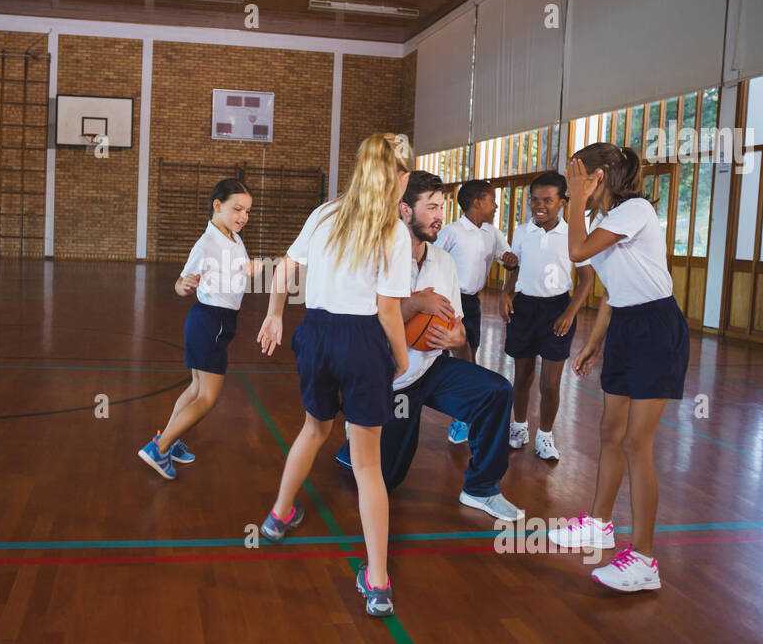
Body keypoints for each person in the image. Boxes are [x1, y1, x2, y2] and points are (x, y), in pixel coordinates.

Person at [256, 133, 412, 618]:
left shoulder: (324, 213)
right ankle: (378, 582)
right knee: (368, 465)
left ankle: (278, 517)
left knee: (314, 428)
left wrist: (275, 315)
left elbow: (286, 267)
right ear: (400, 178)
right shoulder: (394, 230)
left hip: (317, 333)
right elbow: (388, 311)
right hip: (362, 340)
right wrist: (401, 357)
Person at [546, 144, 690, 593]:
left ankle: (645, 560)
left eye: (578, 175)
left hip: (656, 328)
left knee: (636, 441)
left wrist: (572, 198)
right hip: (626, 324)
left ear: (599, 178)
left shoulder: (636, 210)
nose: (572, 183)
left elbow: (575, 253)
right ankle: (599, 525)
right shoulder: (602, 220)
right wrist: (594, 342)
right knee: (610, 432)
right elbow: (612, 291)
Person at [335, 171, 518, 520]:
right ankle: (356, 436)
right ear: (405, 209)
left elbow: (459, 327)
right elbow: (361, 329)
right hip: (392, 380)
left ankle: (481, 488)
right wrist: (414, 305)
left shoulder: (443, 261)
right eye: (431, 207)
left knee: (495, 391)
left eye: (442, 207)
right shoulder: (374, 257)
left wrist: (456, 338)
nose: (439, 216)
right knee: (386, 479)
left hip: (431, 368)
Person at [138, 179, 256, 479]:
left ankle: (169, 439)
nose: (243, 216)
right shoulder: (207, 243)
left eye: (248, 211)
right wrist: (184, 285)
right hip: (210, 322)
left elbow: (231, 271)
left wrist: (248, 268)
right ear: (217, 206)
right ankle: (159, 448)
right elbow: (180, 283)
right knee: (207, 398)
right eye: (237, 209)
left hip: (216, 322)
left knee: (195, 389)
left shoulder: (232, 237)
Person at [501, 170, 595, 461]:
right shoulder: (521, 232)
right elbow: (514, 269)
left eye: (547, 200)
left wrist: (569, 312)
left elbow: (587, 279)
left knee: (550, 384)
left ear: (563, 202)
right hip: (524, 309)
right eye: (534, 200)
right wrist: (506, 292)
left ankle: (545, 436)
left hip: (558, 310)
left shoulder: (573, 235)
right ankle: (518, 428)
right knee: (523, 376)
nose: (539, 205)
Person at [435, 180, 518, 444]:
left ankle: (463, 414)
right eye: (492, 200)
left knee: (470, 354)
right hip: (449, 300)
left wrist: (510, 261)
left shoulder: (492, 233)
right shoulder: (451, 231)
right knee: (462, 358)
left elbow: (508, 258)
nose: (495, 206)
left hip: (472, 302)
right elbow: (429, 259)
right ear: (476, 202)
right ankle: (462, 417)